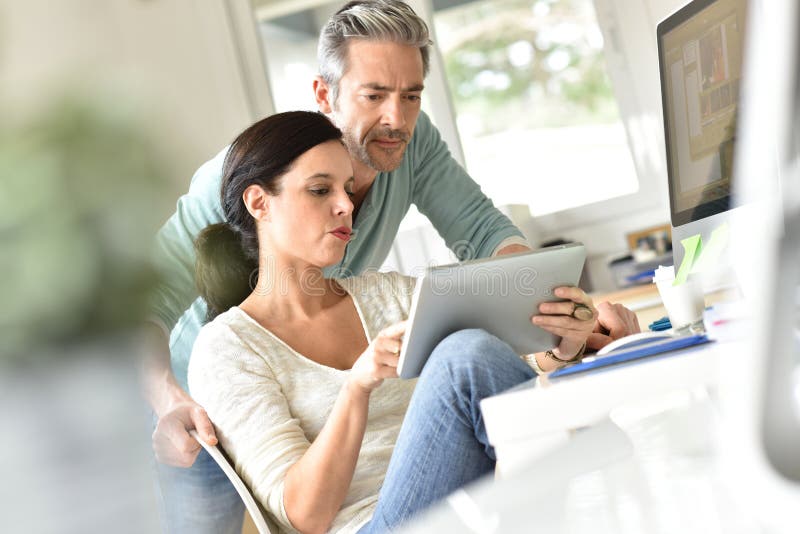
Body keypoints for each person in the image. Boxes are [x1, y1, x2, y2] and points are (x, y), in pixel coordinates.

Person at [142, 1, 640, 532]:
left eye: (412, 95)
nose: (397, 118)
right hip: (206, 401)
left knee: (473, 359)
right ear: (324, 94)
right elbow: (141, 305)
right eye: (374, 95)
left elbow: (481, 231)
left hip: (410, 491)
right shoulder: (241, 186)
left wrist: (558, 319)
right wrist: (167, 400)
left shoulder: (391, 289)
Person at [187, 110, 602, 534]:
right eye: (319, 190)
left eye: (348, 189)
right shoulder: (227, 348)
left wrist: (559, 349)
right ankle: (606, 463)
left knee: (474, 358)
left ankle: (596, 473)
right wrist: (356, 387)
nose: (346, 205)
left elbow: (500, 375)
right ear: (259, 203)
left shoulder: (389, 295)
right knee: (464, 356)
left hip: (467, 515)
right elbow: (304, 515)